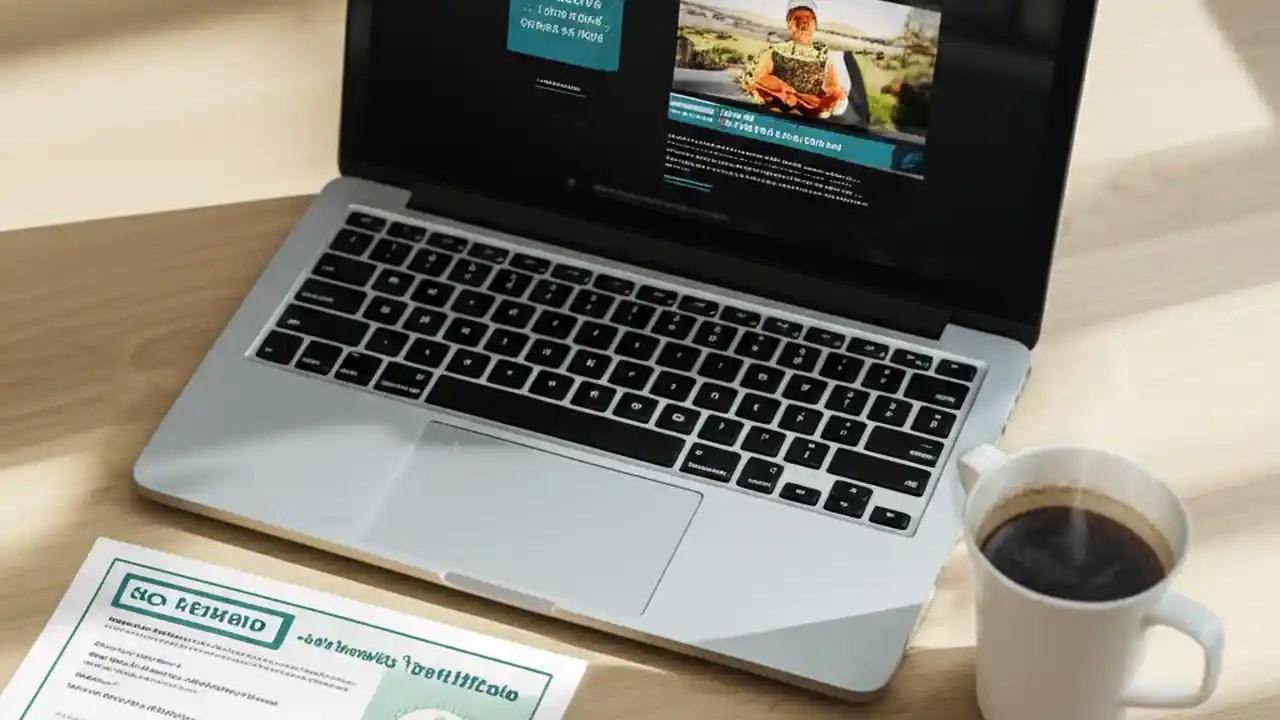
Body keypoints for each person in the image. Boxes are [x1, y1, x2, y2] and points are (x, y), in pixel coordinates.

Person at [749, 0, 847, 118]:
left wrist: (820, 104)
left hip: (808, 119)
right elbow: (759, 80)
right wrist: (787, 94)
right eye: (797, 19)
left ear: (815, 24)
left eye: (807, 19)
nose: (803, 25)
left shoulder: (825, 57)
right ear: (789, 24)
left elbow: (833, 95)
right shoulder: (776, 51)